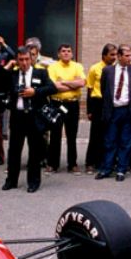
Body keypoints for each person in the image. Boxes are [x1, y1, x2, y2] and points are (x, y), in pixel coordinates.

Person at [3, 46, 55, 193]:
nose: (24, 63)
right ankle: (11, 181)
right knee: (14, 150)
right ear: (17, 60)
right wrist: (8, 66)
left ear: (31, 59)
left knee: (34, 151)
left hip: (34, 117)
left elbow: (52, 88)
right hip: (18, 117)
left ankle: (33, 182)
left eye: (27, 59)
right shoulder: (13, 75)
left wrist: (35, 92)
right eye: (21, 60)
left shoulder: (41, 73)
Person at [96, 44, 131, 181]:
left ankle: (121, 170)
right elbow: (104, 89)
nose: (130, 58)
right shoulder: (107, 71)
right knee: (110, 141)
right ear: (119, 56)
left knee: (125, 142)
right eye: (127, 56)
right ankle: (106, 169)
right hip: (113, 111)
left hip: (128, 111)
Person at [46, 43, 86, 174]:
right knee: (55, 135)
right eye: (63, 51)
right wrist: (73, 84)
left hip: (72, 104)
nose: (66, 53)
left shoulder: (77, 66)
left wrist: (63, 81)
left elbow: (82, 82)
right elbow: (53, 86)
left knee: (72, 135)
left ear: (72, 54)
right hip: (56, 104)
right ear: (59, 54)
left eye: (69, 51)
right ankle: (53, 164)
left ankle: (72, 164)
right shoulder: (52, 67)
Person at [84, 43, 116, 174]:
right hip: (97, 103)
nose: (114, 57)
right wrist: (89, 110)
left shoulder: (115, 69)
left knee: (108, 134)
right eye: (111, 55)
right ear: (104, 55)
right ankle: (90, 163)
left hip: (110, 104)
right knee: (95, 134)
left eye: (115, 54)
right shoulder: (95, 68)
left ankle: (103, 162)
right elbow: (89, 89)